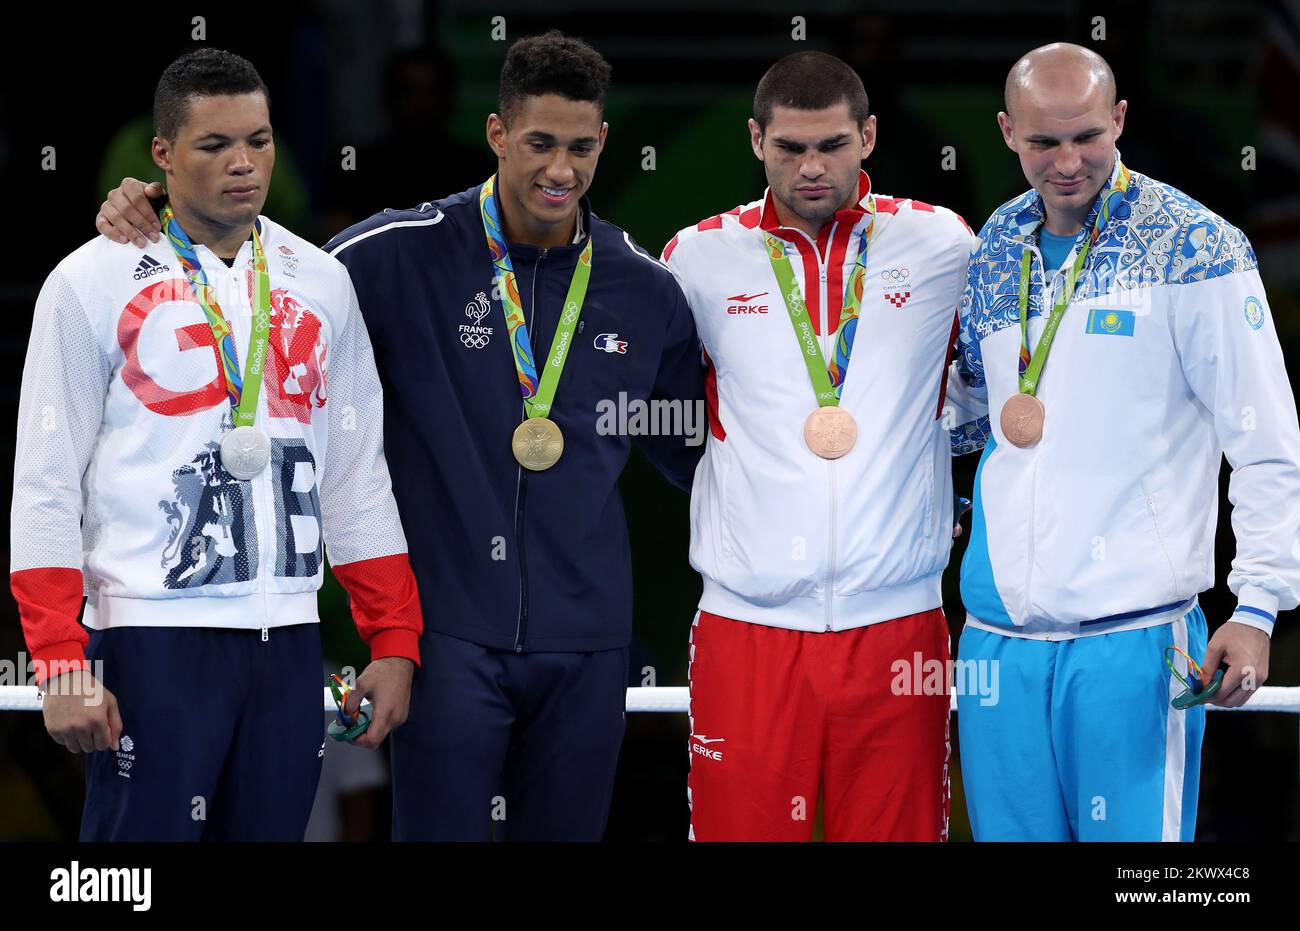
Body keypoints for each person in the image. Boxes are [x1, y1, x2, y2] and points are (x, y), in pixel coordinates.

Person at [95, 31, 705, 841]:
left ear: (604, 143)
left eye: (582, 147)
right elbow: (256, 271)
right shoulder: (393, 255)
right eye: (540, 143)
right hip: (447, 638)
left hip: (590, 645)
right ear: (496, 134)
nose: (561, 169)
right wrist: (156, 205)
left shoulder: (646, 287)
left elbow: (703, 454)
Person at [16, 47, 422, 841]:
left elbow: (354, 477)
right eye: (215, 145)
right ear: (162, 156)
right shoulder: (89, 281)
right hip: (148, 635)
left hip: (288, 638)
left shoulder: (320, 279)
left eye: (260, 140)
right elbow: (46, 483)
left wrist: (394, 637)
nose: (244, 163)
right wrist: (60, 657)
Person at [953, 42, 1300, 840]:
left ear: (1120, 120)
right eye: (1044, 142)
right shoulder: (995, 246)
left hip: (1133, 638)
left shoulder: (1199, 246)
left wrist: (1257, 606)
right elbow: (974, 414)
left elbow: (1266, 438)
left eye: (1087, 137)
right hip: (996, 645)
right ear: (1008, 132)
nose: (1068, 161)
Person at [661, 51, 981, 841]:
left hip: (900, 624)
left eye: (832, 145)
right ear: (754, 140)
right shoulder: (697, 257)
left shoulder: (943, 245)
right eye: (790, 148)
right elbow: (665, 416)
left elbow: (985, 385)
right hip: (747, 626)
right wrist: (748, 512)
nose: (811, 167)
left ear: (868, 136)